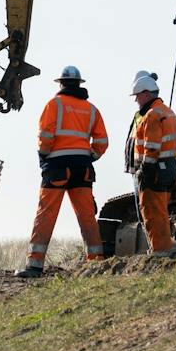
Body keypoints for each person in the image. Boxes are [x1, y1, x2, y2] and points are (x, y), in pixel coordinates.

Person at [19, 65, 110, 276]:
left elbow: (45, 137)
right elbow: (102, 142)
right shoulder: (91, 109)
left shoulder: (54, 105)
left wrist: (44, 157)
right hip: (83, 168)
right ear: (79, 84)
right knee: (87, 215)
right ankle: (96, 263)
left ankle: (34, 265)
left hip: (57, 167)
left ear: (60, 83)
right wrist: (90, 156)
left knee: (46, 214)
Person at [127, 71, 176, 256]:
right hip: (168, 168)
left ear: (147, 94)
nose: (136, 100)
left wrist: (146, 171)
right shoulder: (168, 112)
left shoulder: (152, 115)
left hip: (154, 170)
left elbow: (151, 148)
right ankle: (161, 249)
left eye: (138, 96)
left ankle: (160, 253)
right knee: (161, 212)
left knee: (152, 213)